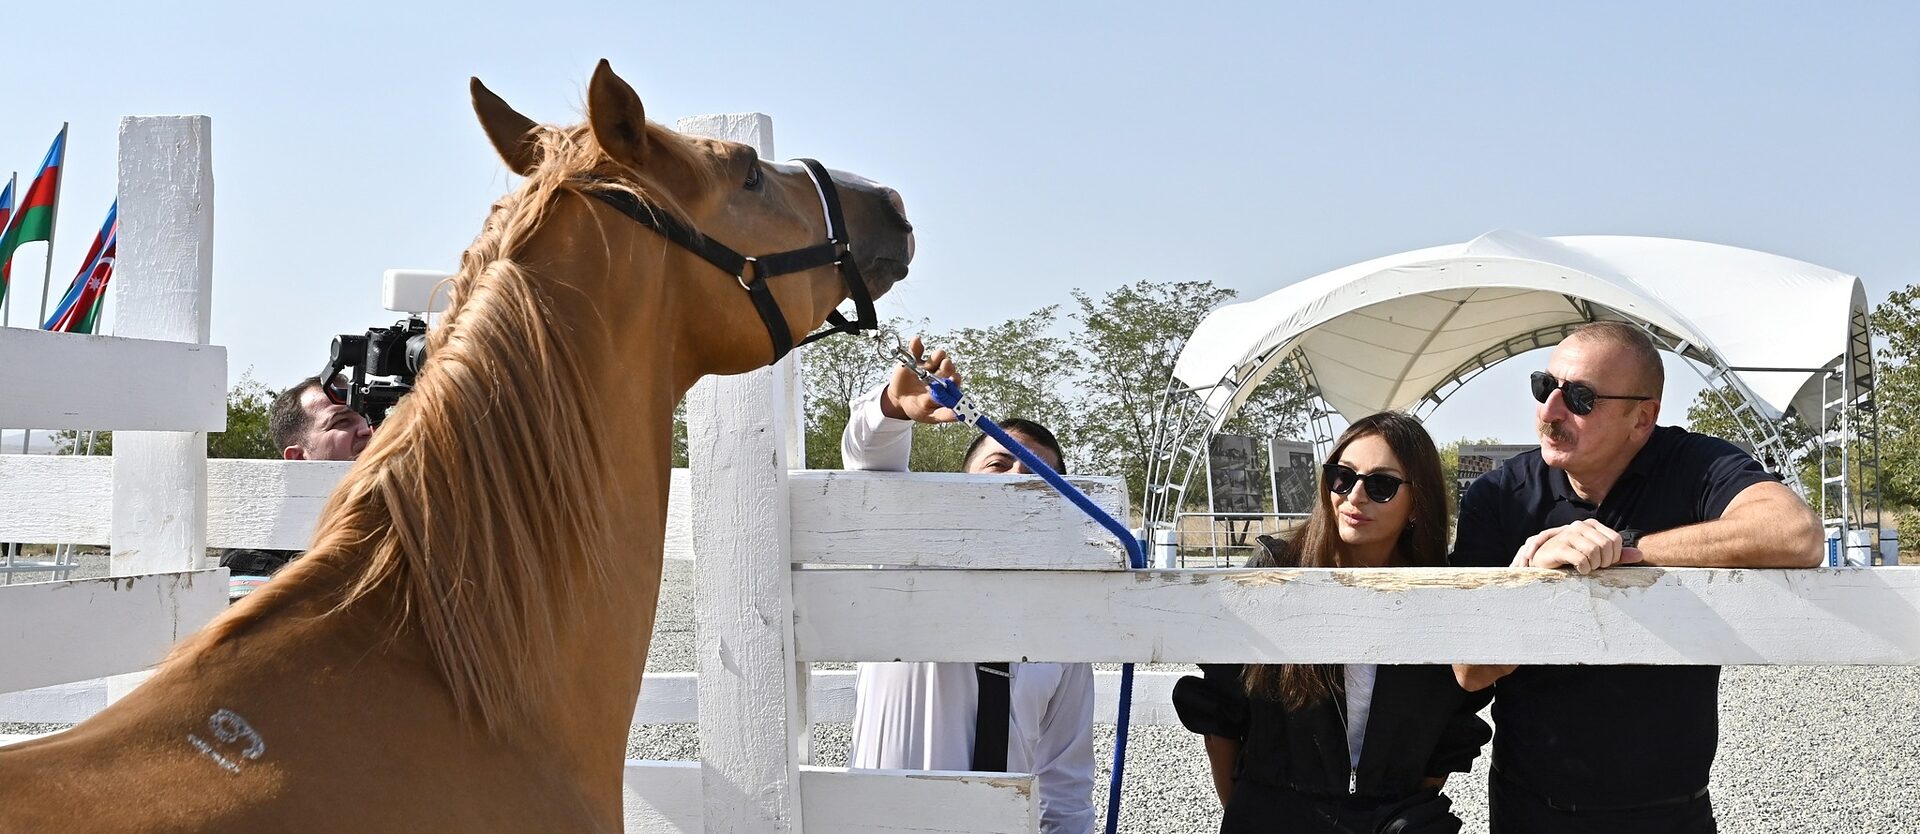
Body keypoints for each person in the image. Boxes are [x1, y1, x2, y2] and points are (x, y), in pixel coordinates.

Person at [1451, 321, 1823, 833]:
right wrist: (1534, 578)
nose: (1550, 411)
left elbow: (1796, 533)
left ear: (1642, 418)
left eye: (1580, 398)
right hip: (1531, 809)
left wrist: (1628, 550)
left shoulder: (1693, 465)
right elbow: (1470, 671)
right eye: (1544, 386)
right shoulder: (1499, 496)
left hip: (1671, 812)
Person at [1174, 412, 1491, 834]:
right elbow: (1221, 707)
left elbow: (1452, 726)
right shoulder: (1277, 569)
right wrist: (1246, 808)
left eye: (1381, 485)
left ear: (1418, 502)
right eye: (1342, 477)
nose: (1354, 496)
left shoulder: (1440, 594)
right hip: (1276, 810)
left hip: (1390, 815)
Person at [843, 336, 1096, 834]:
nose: (1016, 480)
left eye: (1038, 476)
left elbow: (1064, 783)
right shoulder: (906, 562)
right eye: (999, 464)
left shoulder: (1064, 628)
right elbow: (868, 464)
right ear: (960, 482)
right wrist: (893, 408)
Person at [219, 375, 374, 601]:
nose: (369, 430)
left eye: (370, 417)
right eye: (342, 422)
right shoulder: (254, 548)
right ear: (298, 458)